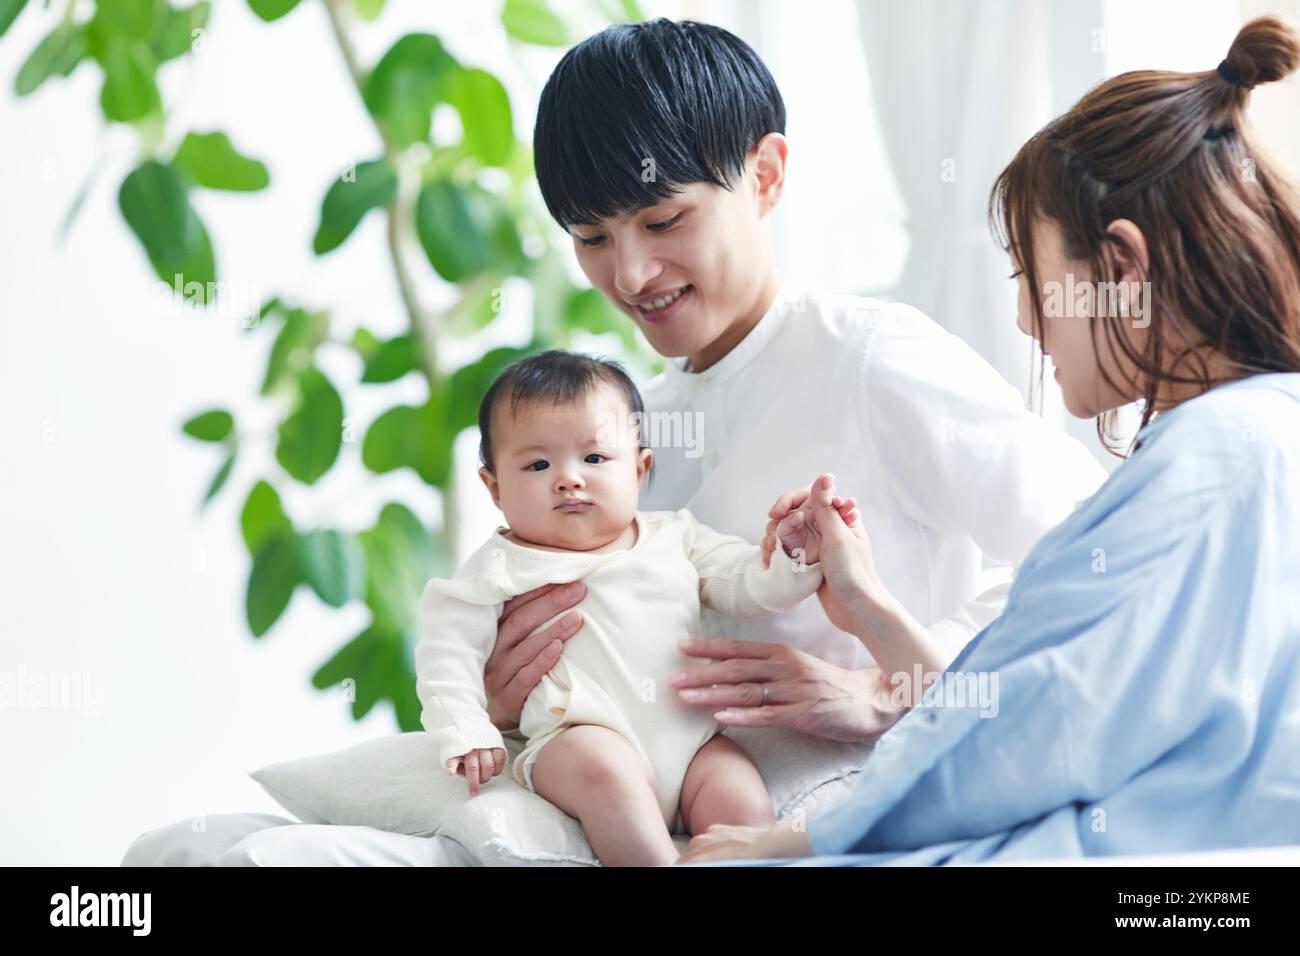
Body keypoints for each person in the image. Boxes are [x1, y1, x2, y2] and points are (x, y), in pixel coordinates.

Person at [676, 15, 1300, 864]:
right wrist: (873, 613)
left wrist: (801, 843)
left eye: (1030, 278)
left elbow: (1039, 734)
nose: (1021, 319)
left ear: (1120, 270)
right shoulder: (1253, 436)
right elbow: (1032, 708)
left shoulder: (1214, 459)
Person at [479, 18, 1107, 757]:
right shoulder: (622, 434)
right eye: (592, 239)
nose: (629, 275)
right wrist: (502, 700)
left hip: (859, 807)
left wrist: (886, 686)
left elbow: (1101, 555)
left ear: (767, 176)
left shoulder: (872, 360)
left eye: (663, 219)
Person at [417, 350, 856, 865]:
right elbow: (447, 653)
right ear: (494, 488)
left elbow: (751, 586)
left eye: (595, 458)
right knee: (606, 771)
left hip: (693, 745)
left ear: (640, 468)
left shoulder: (676, 536)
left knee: (739, 795)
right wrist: (467, 730)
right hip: (577, 738)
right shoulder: (498, 566)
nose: (569, 479)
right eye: (538, 464)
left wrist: (795, 552)